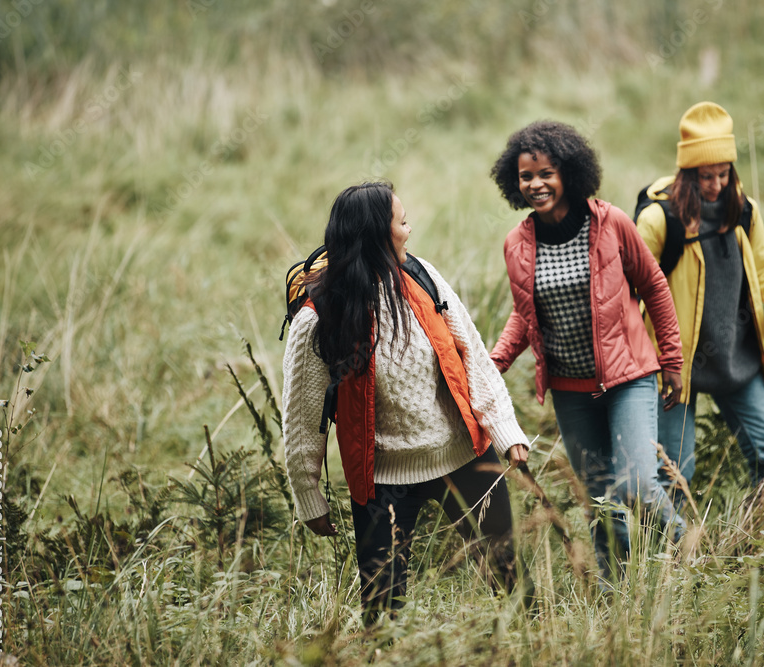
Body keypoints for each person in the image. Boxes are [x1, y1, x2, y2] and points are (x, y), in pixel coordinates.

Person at [282, 182, 532, 624]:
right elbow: (303, 418)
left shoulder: (421, 276)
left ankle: (534, 648)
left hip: (463, 456)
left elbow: (472, 355)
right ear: (378, 234)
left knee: (508, 574)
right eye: (401, 222)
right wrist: (309, 496)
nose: (409, 230)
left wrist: (507, 432)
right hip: (383, 476)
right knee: (382, 608)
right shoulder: (317, 317)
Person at [488, 120, 687, 584]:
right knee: (599, 498)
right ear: (514, 183)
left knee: (637, 484)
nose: (536, 184)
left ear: (569, 173)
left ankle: (686, 550)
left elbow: (654, 287)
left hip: (629, 378)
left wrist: (673, 360)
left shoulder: (611, 222)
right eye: (526, 176)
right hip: (571, 389)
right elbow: (525, 315)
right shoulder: (517, 244)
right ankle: (615, 589)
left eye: (546, 173)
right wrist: (491, 365)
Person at [635, 101, 764, 505]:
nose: (715, 184)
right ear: (688, 172)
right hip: (673, 363)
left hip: (734, 356)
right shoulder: (662, 219)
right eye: (705, 176)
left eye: (723, 174)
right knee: (675, 470)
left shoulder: (744, 211)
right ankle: (669, 557)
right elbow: (631, 287)